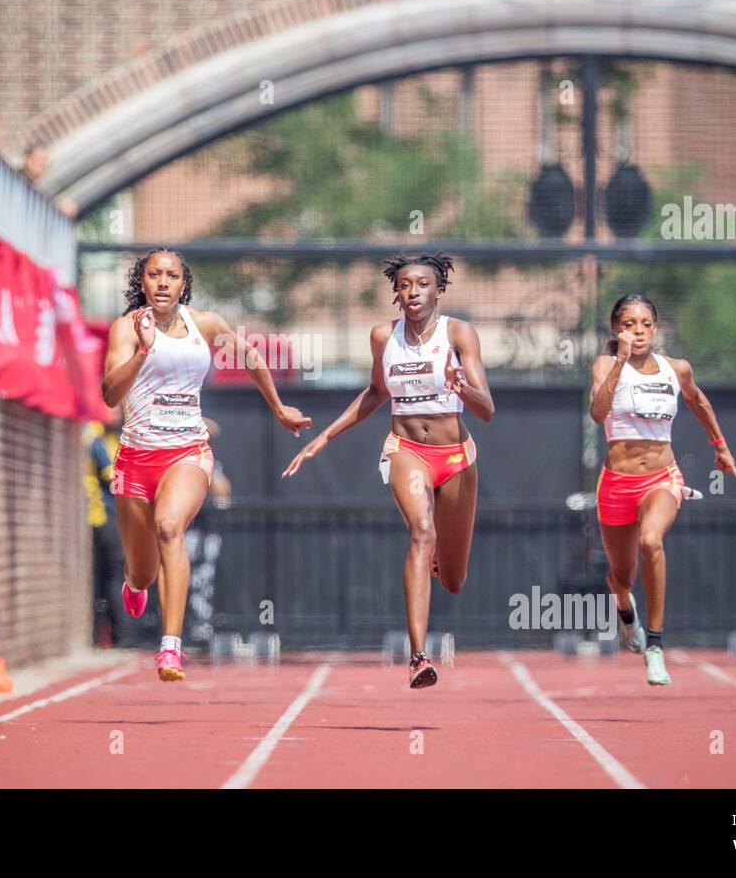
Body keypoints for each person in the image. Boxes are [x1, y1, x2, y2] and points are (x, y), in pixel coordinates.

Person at [283, 252, 494, 689]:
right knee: (421, 531)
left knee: (453, 580)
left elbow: (487, 409)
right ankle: (418, 656)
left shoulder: (459, 333)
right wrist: (325, 437)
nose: (413, 292)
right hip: (406, 449)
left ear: (438, 290)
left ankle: (437, 560)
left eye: (422, 284)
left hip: (455, 456)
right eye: (404, 285)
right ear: (396, 293)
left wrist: (463, 386)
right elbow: (376, 392)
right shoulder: (384, 336)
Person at [101, 248, 311, 681]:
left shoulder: (206, 324)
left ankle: (171, 647)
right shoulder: (126, 328)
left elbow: (251, 357)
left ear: (183, 283)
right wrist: (142, 352)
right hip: (136, 459)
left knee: (170, 527)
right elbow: (109, 394)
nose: (162, 282)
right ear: (142, 282)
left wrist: (278, 407)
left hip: (187, 452)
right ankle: (135, 583)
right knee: (142, 568)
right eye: (154, 274)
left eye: (171, 275)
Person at [589, 293, 736, 686]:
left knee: (652, 540)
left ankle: (655, 646)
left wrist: (719, 445)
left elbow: (698, 400)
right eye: (628, 324)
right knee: (621, 576)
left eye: (645, 324)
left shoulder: (676, 369)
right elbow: (597, 412)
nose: (637, 332)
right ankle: (625, 607)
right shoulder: (606, 365)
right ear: (616, 329)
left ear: (656, 329)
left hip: (661, 478)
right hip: (617, 483)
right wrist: (620, 363)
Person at [83, 415, 126, 648]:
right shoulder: (98, 440)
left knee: (117, 573)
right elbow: (113, 476)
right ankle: (120, 635)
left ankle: (116, 633)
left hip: (119, 515)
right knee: (114, 573)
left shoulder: (115, 439)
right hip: (105, 516)